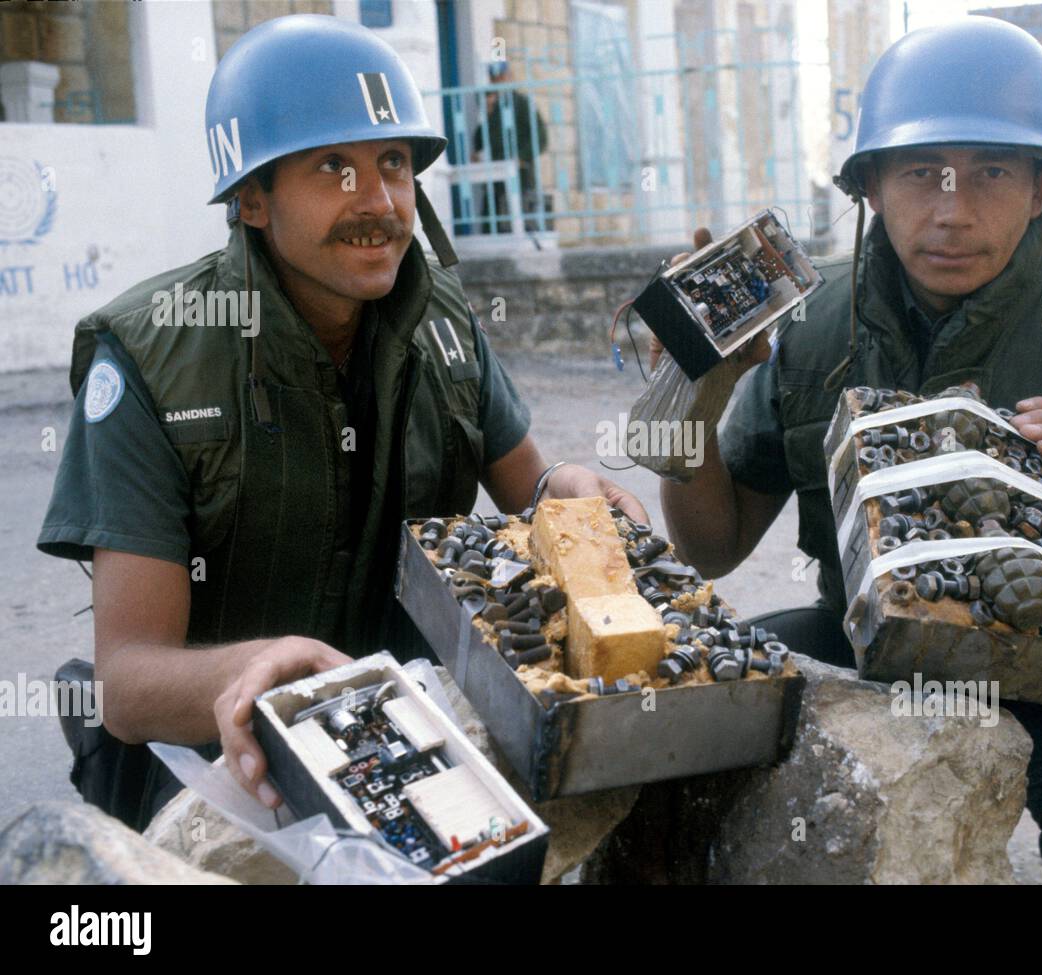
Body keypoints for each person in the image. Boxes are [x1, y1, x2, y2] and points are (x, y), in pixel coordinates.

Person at [652, 16, 1042, 883]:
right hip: (863, 636)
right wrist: (691, 400)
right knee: (675, 728)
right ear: (872, 187)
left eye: (991, 171)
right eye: (923, 172)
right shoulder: (807, 325)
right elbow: (712, 544)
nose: (952, 210)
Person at [36, 15, 644, 828]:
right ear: (252, 198)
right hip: (226, 763)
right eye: (334, 167)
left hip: (419, 736)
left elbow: (529, 485)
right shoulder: (153, 358)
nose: (379, 202)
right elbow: (125, 682)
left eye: (392, 163)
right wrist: (254, 669)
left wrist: (563, 487)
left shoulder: (442, 324)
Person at [472, 60, 550, 234]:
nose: (498, 82)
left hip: (519, 173)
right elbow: (480, 140)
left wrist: (521, 157)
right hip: (494, 174)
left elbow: (541, 137)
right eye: (494, 79)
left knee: (521, 222)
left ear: (509, 77)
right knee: (491, 223)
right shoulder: (492, 104)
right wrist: (488, 112)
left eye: (502, 78)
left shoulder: (521, 103)